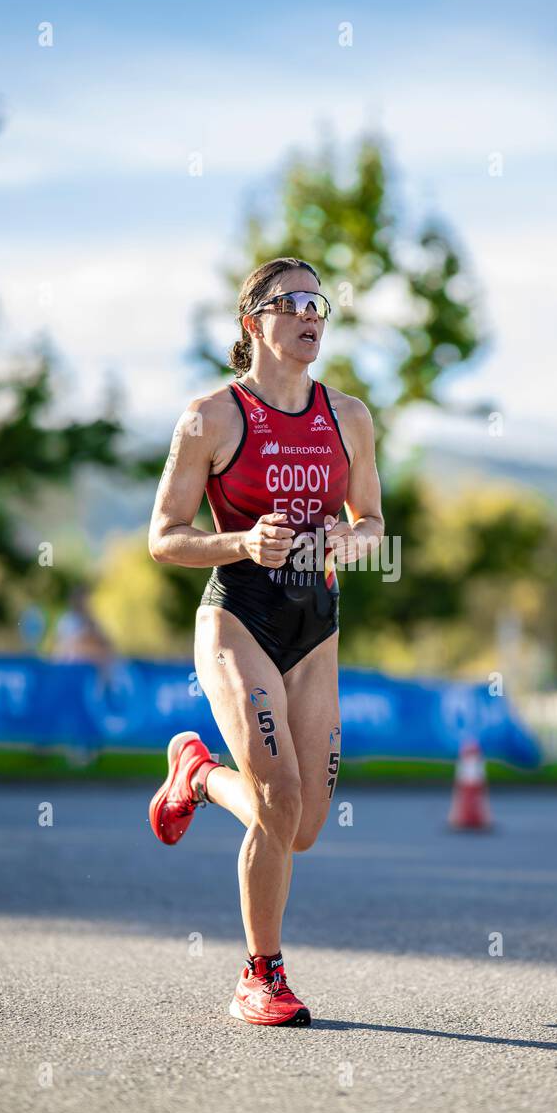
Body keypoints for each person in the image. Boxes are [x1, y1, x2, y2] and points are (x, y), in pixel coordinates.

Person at [147, 257, 384, 1026]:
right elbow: (165, 539)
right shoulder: (210, 418)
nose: (312, 315)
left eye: (321, 302)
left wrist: (353, 545)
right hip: (239, 617)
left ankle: (197, 774)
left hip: (315, 627)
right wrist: (245, 543)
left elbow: (372, 522)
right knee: (278, 802)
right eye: (294, 302)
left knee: (304, 826)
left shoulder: (348, 416)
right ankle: (261, 975)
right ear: (253, 321)